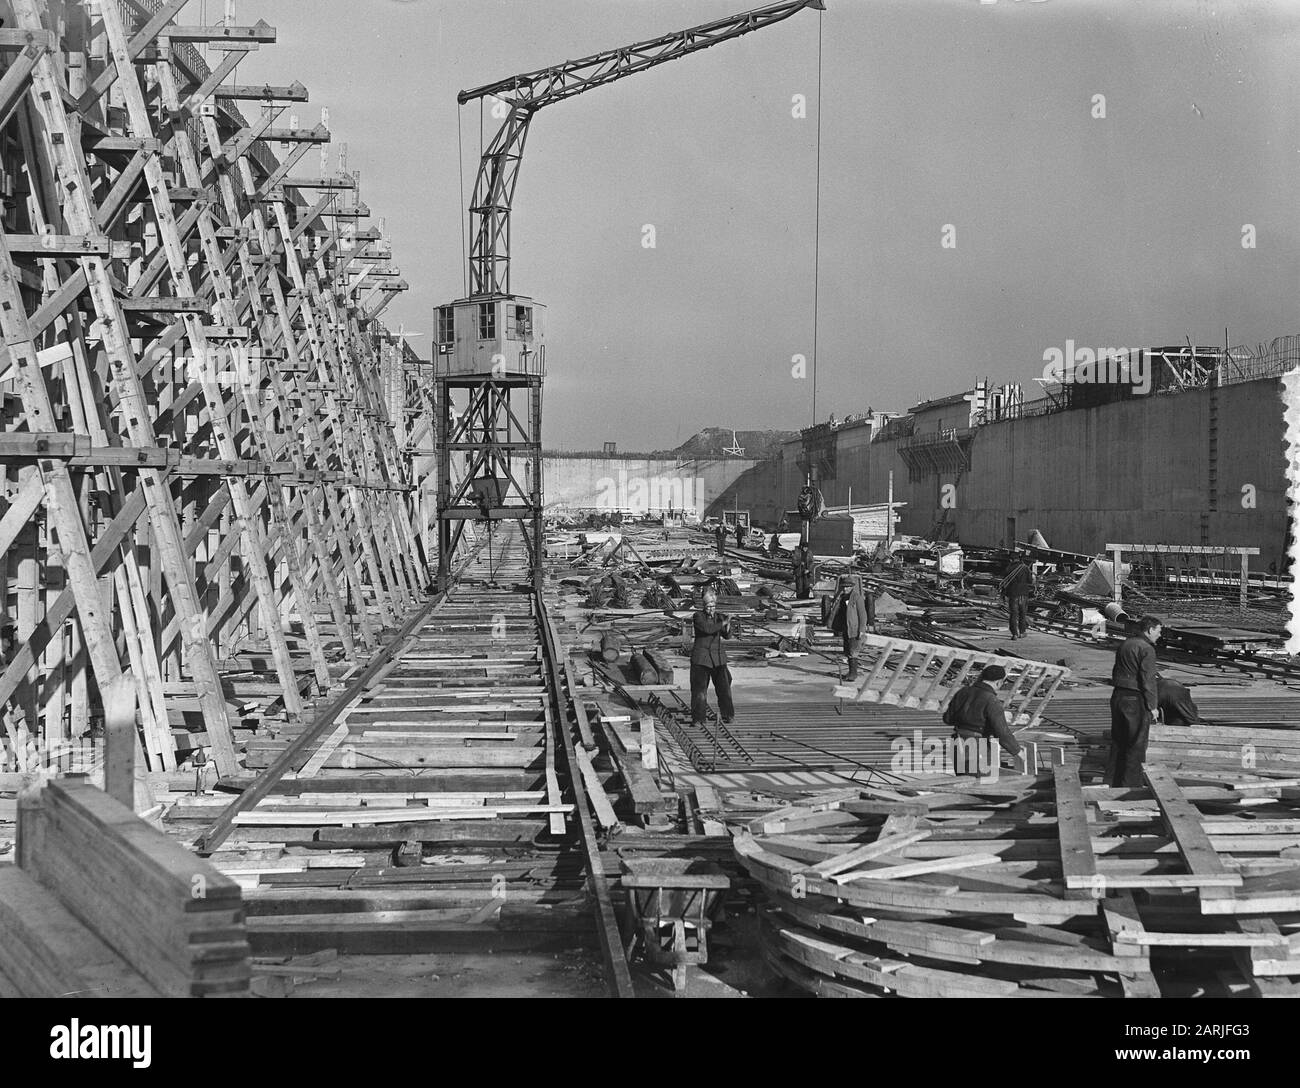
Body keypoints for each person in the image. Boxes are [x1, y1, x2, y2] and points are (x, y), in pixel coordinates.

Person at [1107, 614, 1163, 787]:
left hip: (1118, 696)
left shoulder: (1126, 644)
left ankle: (1113, 784)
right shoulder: (1147, 649)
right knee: (1136, 745)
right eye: (1159, 631)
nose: (1160, 635)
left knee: (1119, 743)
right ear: (1150, 629)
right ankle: (1131, 788)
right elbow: (1148, 680)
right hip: (1134, 699)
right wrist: (1152, 706)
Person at [942, 664, 1022, 768]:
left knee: (963, 781)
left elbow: (947, 719)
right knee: (982, 781)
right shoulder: (991, 700)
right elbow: (1002, 733)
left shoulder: (962, 692)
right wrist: (1018, 752)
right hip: (978, 746)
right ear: (999, 682)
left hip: (957, 743)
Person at [690, 588, 735, 726]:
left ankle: (728, 715)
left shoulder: (719, 617)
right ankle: (698, 718)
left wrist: (728, 624)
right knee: (699, 691)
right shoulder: (698, 617)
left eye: (713, 606)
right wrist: (723, 623)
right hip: (701, 659)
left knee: (724, 688)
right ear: (704, 606)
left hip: (718, 659)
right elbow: (707, 629)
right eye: (709, 607)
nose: (711, 609)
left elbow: (727, 636)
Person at [827, 574, 873, 681]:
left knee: (853, 651)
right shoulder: (842, 598)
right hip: (845, 628)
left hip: (854, 629)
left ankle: (853, 674)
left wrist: (861, 630)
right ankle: (851, 672)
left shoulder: (857, 597)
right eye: (843, 587)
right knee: (848, 651)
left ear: (852, 587)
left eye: (847, 587)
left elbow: (863, 615)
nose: (845, 589)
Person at [999, 551, 1034, 640]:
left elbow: (1005, 580)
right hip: (1023, 594)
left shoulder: (1008, 568)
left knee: (1013, 614)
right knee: (1022, 614)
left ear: (1011, 559)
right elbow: (1030, 581)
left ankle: (1014, 634)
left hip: (1013, 594)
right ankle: (1022, 632)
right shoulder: (1025, 568)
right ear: (1019, 559)